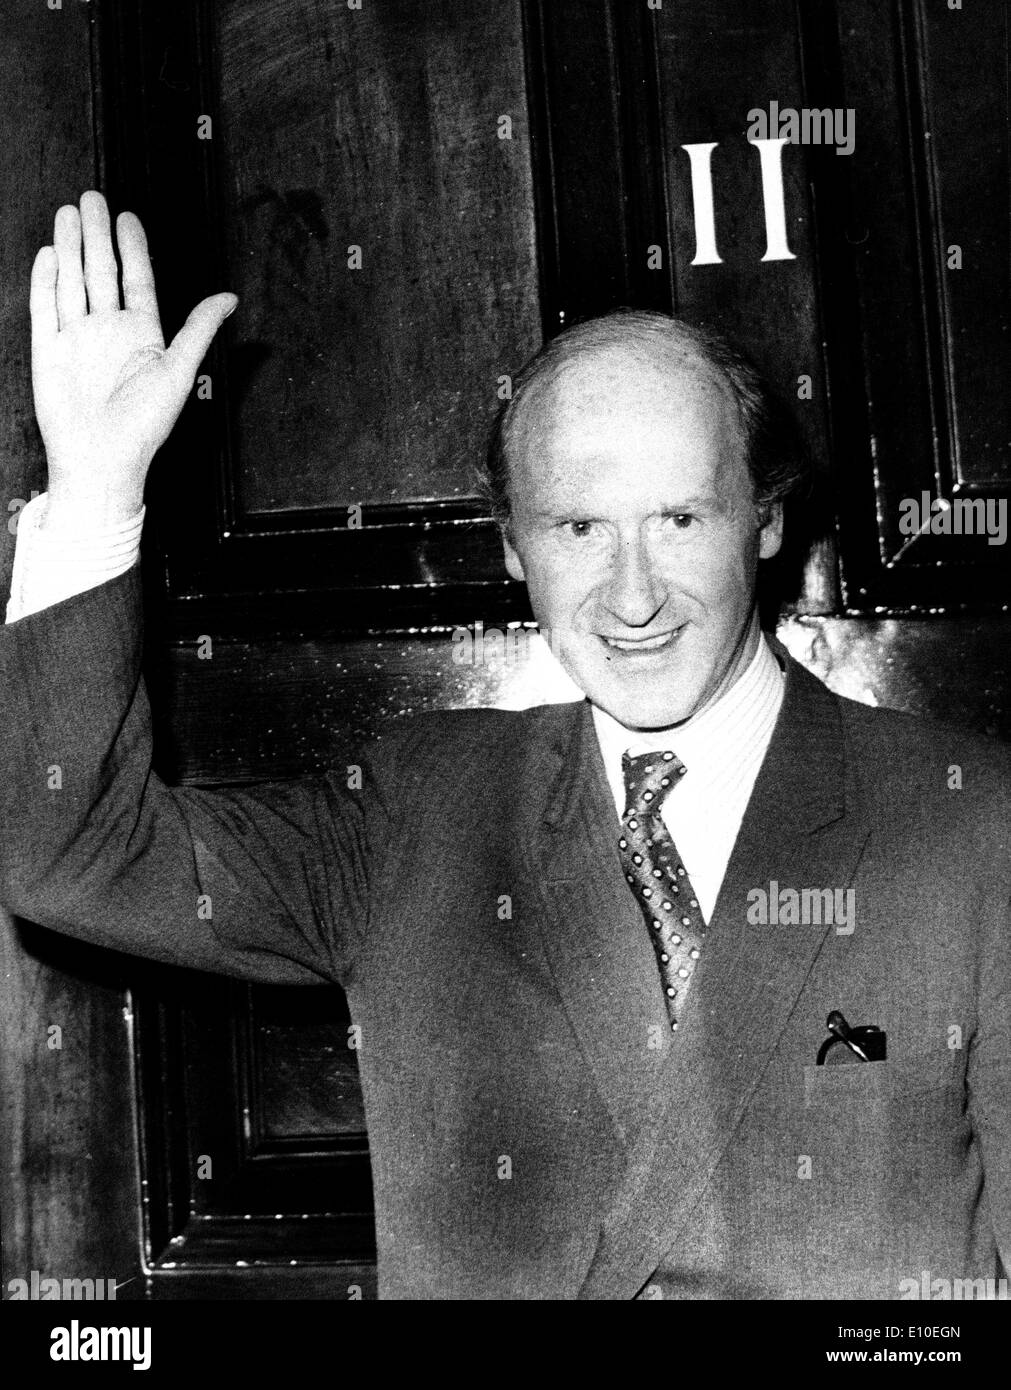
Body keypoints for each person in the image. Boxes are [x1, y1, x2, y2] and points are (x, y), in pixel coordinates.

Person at [1, 192, 1008, 1300]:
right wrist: (96, 491)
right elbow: (70, 853)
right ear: (514, 546)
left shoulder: (969, 818)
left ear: (764, 521)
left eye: (680, 520)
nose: (633, 597)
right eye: (580, 528)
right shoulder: (418, 808)